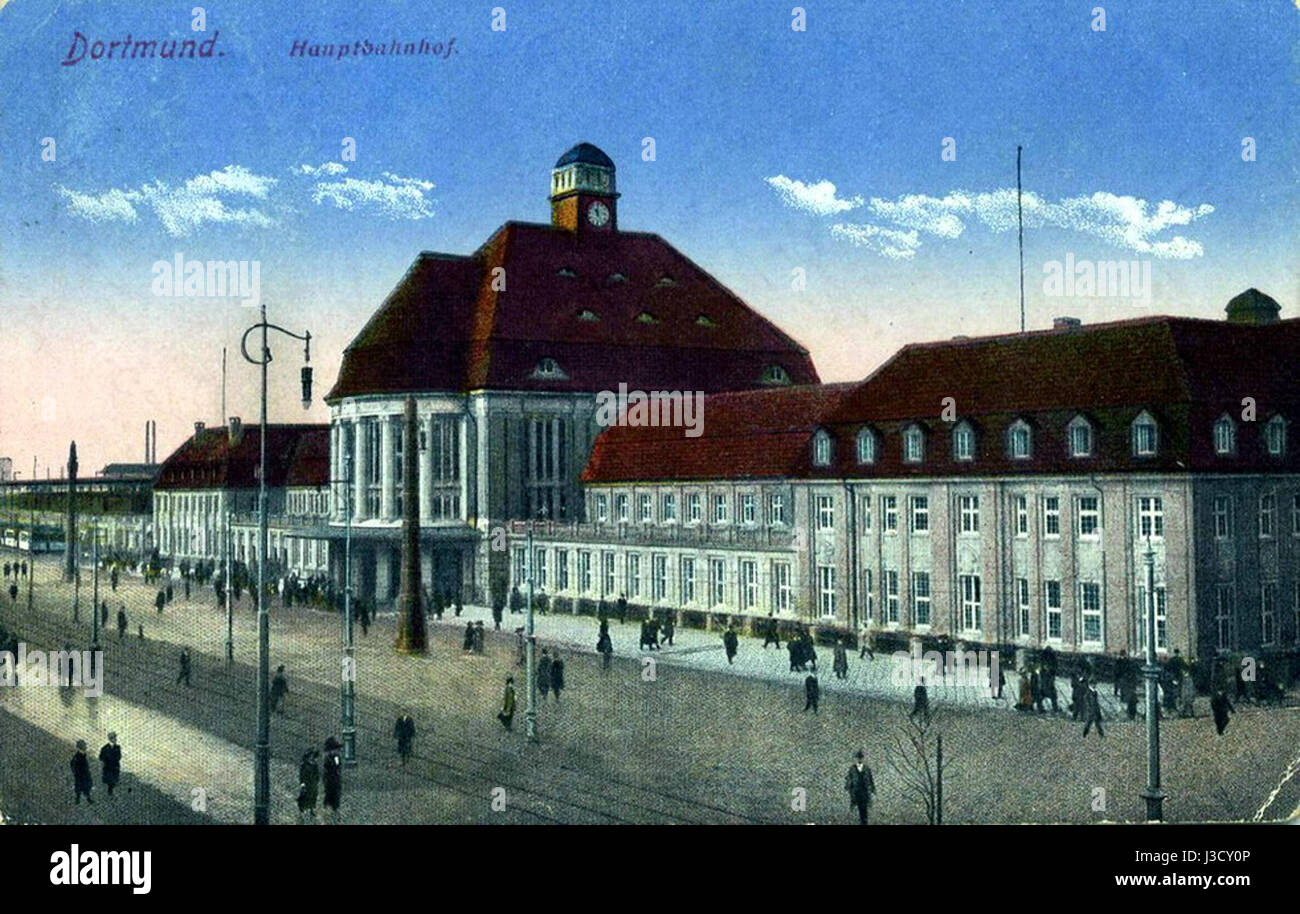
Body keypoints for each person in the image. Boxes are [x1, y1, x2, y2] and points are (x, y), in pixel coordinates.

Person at [844, 750, 876, 824]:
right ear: (856, 759)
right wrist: (848, 787)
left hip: (865, 791)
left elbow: (870, 779)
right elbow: (849, 779)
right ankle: (859, 821)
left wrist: (873, 789)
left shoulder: (867, 768)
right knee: (857, 807)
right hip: (856, 791)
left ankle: (864, 822)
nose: (859, 759)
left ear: (863, 759)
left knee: (864, 808)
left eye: (861, 758)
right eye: (858, 758)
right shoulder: (852, 769)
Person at [321, 738, 342, 823]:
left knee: (335, 796)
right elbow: (329, 769)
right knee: (330, 796)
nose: (336, 751)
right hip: (330, 780)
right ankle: (329, 814)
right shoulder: (329, 758)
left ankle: (334, 812)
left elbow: (338, 767)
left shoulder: (335, 757)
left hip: (334, 780)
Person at [297, 749, 320, 823]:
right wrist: (302, 783)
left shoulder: (314, 764)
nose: (311, 757)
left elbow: (317, 774)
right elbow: (302, 774)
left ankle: (312, 809)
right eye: (310, 756)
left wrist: (316, 780)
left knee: (314, 795)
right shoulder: (304, 765)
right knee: (305, 795)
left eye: (312, 756)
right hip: (306, 782)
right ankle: (302, 810)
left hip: (313, 783)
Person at [98, 732, 122, 798]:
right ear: (111, 739)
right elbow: (101, 757)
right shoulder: (104, 748)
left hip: (115, 768)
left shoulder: (118, 747)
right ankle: (110, 794)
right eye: (114, 738)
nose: (115, 739)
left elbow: (119, 757)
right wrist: (107, 761)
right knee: (110, 782)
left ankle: (111, 794)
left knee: (114, 781)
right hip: (108, 768)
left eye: (115, 737)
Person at [71, 740, 94, 805]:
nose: (86, 747)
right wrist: (77, 773)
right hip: (81, 775)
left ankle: (87, 798)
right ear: (81, 747)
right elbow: (73, 765)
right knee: (80, 787)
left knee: (86, 786)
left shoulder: (82, 754)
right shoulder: (77, 756)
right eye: (84, 745)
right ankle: (78, 799)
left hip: (84, 775)